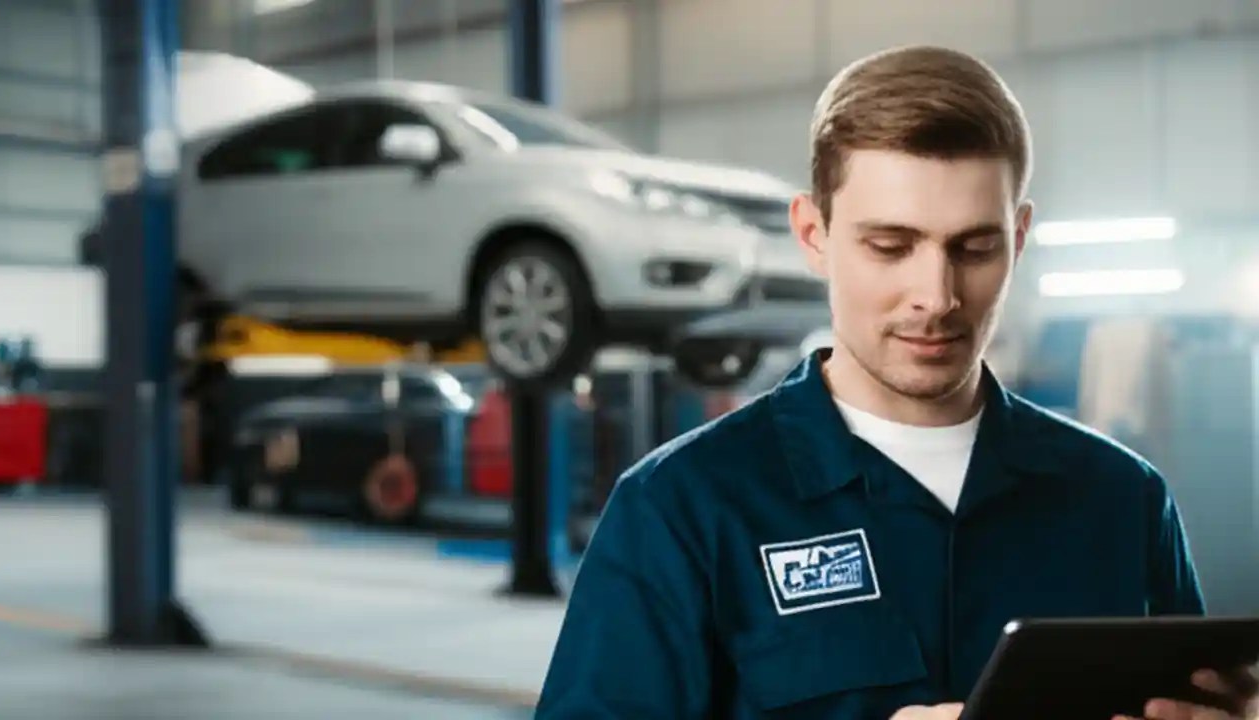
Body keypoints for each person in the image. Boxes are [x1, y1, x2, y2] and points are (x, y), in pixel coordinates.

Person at [535, 45, 1257, 719]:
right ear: (814, 235)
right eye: (890, 246)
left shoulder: (1121, 501)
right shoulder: (682, 510)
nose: (936, 294)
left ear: (1019, 238)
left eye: (974, 248)